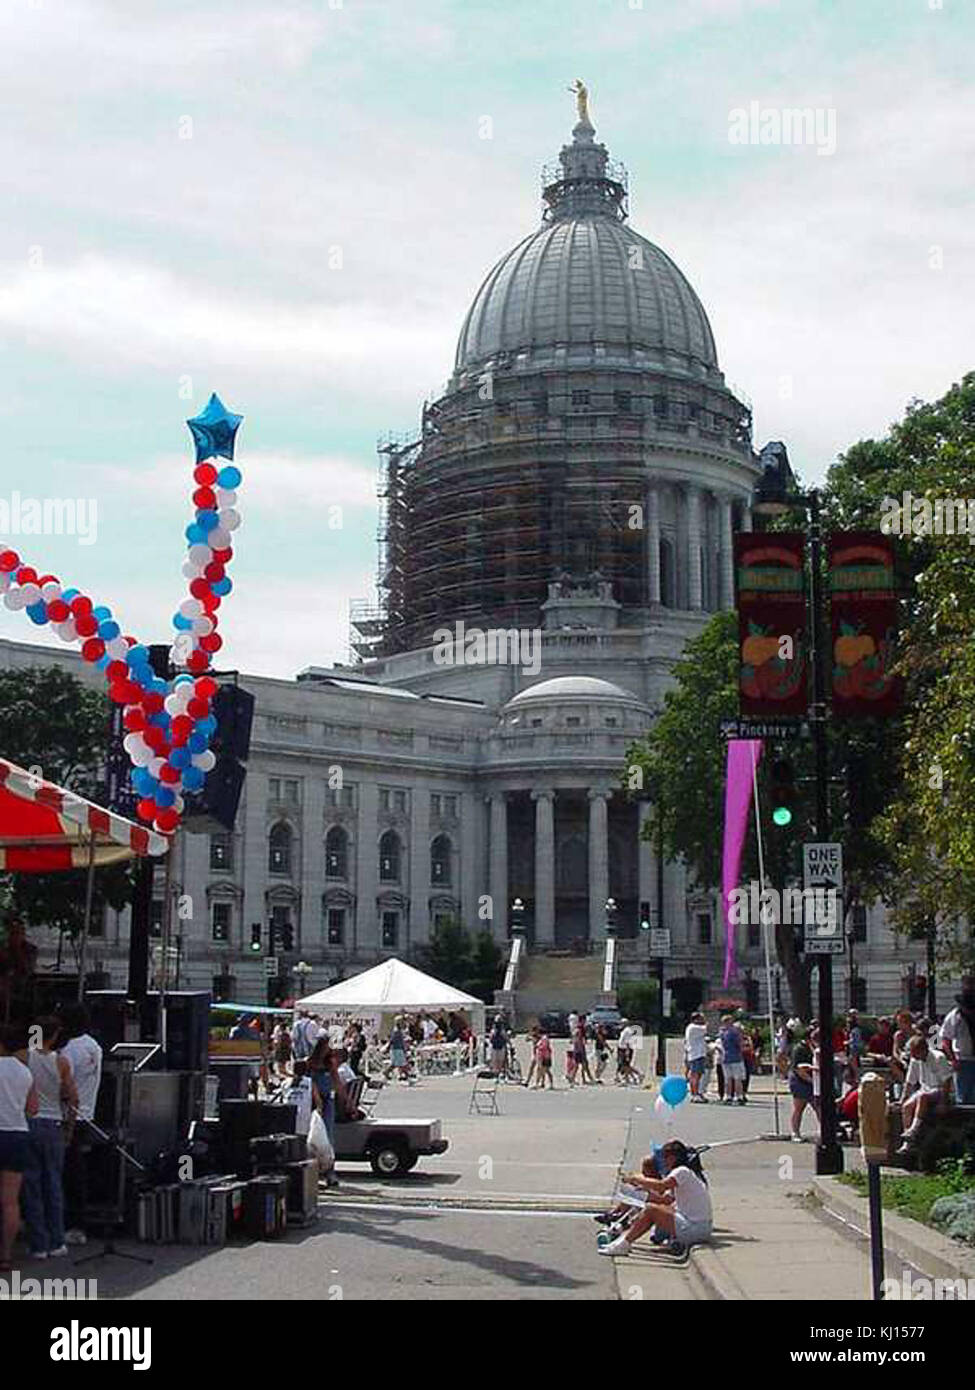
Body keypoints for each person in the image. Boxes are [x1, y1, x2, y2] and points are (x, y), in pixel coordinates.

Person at [22, 1016, 77, 1259]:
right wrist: (69, 1129)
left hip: (28, 1122)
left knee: (31, 1185)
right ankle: (57, 1240)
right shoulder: (61, 1062)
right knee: (53, 1182)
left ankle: (38, 1244)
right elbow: (72, 1098)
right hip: (53, 1123)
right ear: (55, 1036)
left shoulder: (23, 1058)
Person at [598, 1140, 712, 1257]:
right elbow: (665, 1200)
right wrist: (644, 1193)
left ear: (673, 1158)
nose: (663, 1162)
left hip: (696, 1228)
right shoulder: (682, 1174)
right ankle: (622, 1240)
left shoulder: (682, 1171)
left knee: (651, 1210)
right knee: (653, 1209)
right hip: (698, 1228)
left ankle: (623, 1244)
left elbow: (661, 1185)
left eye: (665, 1158)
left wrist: (635, 1179)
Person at [58, 1003, 103, 1246]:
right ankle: (78, 1222)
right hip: (88, 1112)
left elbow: (66, 1087)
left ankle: (70, 1223)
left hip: (68, 1116)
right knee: (79, 1172)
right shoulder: (93, 1046)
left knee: (66, 1173)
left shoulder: (67, 1051)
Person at [0, 1024, 38, 1271]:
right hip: (16, 1135)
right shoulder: (25, 1073)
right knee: (10, 1201)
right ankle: (5, 1255)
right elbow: (32, 1108)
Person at [897, 1033, 954, 1155]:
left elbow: (947, 1080)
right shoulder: (915, 1060)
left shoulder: (939, 1057)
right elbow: (910, 1081)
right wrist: (902, 1099)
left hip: (938, 1089)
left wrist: (944, 1102)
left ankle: (914, 1129)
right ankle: (908, 1142)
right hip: (925, 1089)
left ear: (923, 1050)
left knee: (922, 1097)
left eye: (915, 1052)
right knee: (906, 1106)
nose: (913, 1056)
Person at [308, 1038, 346, 1187]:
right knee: (312, 1139)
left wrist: (347, 1102)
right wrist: (317, 1102)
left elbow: (337, 1083)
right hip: (313, 1104)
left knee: (328, 1138)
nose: (328, 1051)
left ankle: (330, 1172)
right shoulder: (310, 1063)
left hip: (328, 1103)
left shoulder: (330, 1063)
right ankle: (314, 1173)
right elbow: (310, 1083)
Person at [939, 981, 975, 1105]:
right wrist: (953, 1059)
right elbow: (945, 1039)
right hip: (963, 1060)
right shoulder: (954, 1016)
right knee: (964, 1096)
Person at [788, 1028, 817, 1142]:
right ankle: (795, 1132)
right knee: (799, 1107)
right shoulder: (799, 1049)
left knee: (818, 1107)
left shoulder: (815, 1048)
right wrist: (811, 1081)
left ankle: (825, 1133)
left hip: (812, 1080)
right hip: (800, 1080)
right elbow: (798, 1069)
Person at [718, 1015, 745, 1105]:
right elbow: (739, 1044)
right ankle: (738, 1096)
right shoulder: (734, 1032)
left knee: (728, 1078)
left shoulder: (722, 1032)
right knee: (738, 1078)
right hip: (735, 1056)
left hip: (725, 1057)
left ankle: (727, 1095)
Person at [684, 1012, 708, 1102]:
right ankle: (695, 1094)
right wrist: (706, 1021)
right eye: (701, 1018)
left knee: (697, 1075)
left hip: (696, 1053)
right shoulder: (694, 1027)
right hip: (697, 1054)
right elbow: (708, 1029)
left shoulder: (692, 1028)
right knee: (696, 1075)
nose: (702, 1020)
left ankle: (696, 1093)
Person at [616, 1018, 641, 1085]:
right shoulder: (624, 1030)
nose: (621, 1024)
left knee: (625, 1065)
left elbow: (627, 1042)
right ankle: (628, 1078)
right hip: (622, 1049)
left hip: (625, 1049)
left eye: (623, 1023)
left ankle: (638, 1074)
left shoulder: (627, 1031)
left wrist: (627, 1052)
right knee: (625, 1065)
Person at [388, 1016, 410, 1082]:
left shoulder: (399, 1030)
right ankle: (386, 1072)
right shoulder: (396, 1030)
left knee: (402, 1064)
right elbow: (392, 1040)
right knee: (397, 1064)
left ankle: (406, 1076)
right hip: (396, 1049)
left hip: (399, 1048)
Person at [573, 1016, 593, 1085]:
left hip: (578, 1049)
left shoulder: (577, 1029)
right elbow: (578, 1040)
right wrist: (581, 1048)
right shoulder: (579, 1029)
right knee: (582, 1065)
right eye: (584, 1021)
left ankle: (583, 1079)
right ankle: (573, 1078)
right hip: (580, 1049)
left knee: (581, 1065)